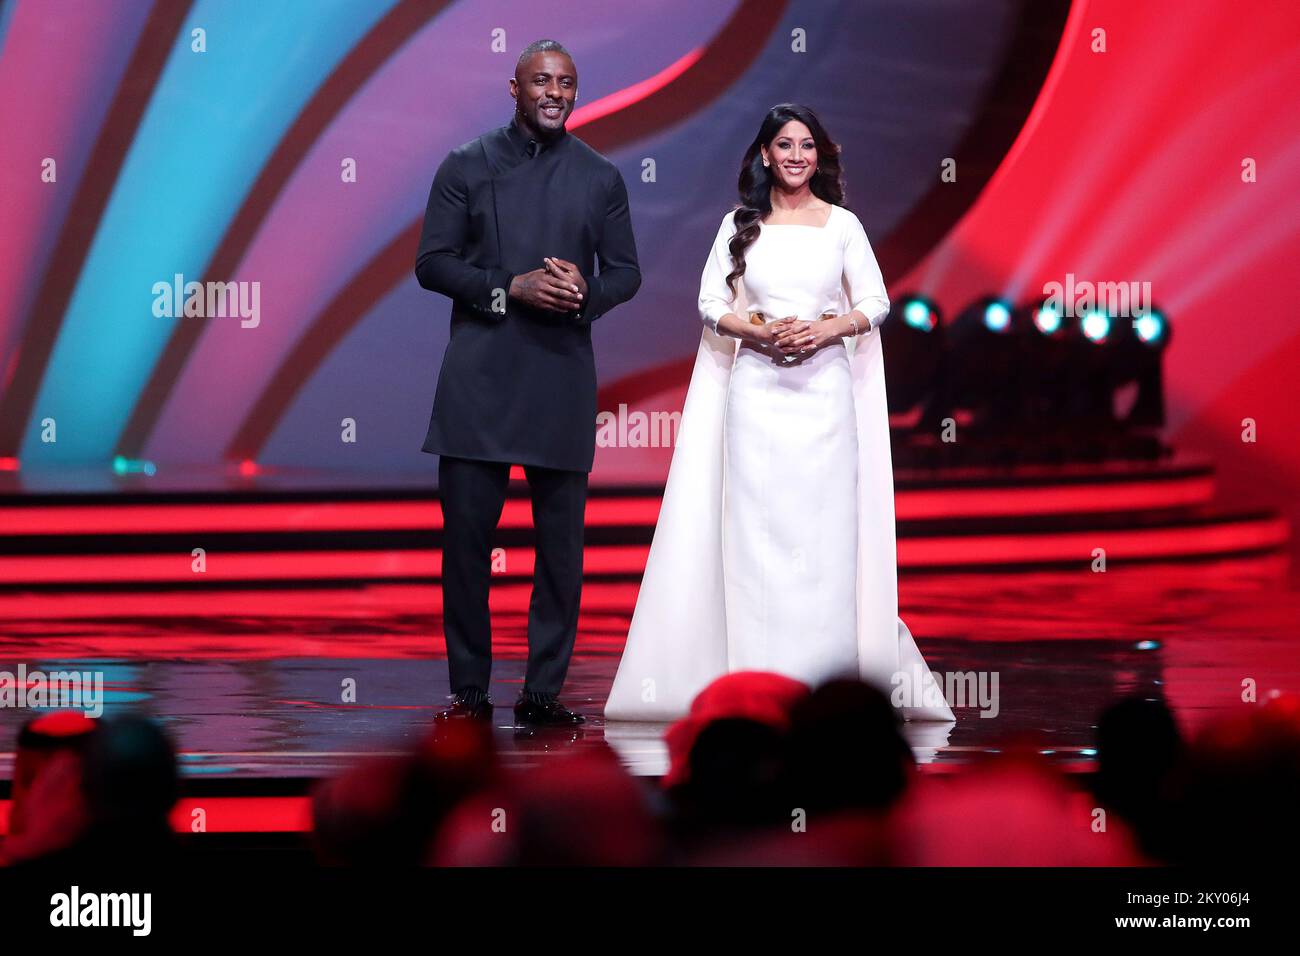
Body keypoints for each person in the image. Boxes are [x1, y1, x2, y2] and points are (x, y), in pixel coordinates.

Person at [606, 104, 952, 724]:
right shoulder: (737, 225)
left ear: (821, 155)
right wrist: (754, 331)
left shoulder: (843, 226)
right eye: (785, 145)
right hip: (757, 396)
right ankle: (753, 688)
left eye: (808, 146)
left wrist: (825, 331)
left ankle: (829, 693)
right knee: (755, 541)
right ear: (765, 154)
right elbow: (710, 299)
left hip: (823, 400)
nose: (797, 156)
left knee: (822, 541)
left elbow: (875, 301)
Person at [415, 40, 641, 725]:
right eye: (541, 80)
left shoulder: (599, 176)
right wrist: (508, 288)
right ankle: (469, 694)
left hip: (561, 380)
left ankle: (542, 694)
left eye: (566, 83)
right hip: (480, 380)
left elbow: (626, 273)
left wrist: (588, 291)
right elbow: (433, 263)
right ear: (514, 88)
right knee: (466, 551)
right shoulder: (466, 165)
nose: (554, 92)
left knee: (561, 555)